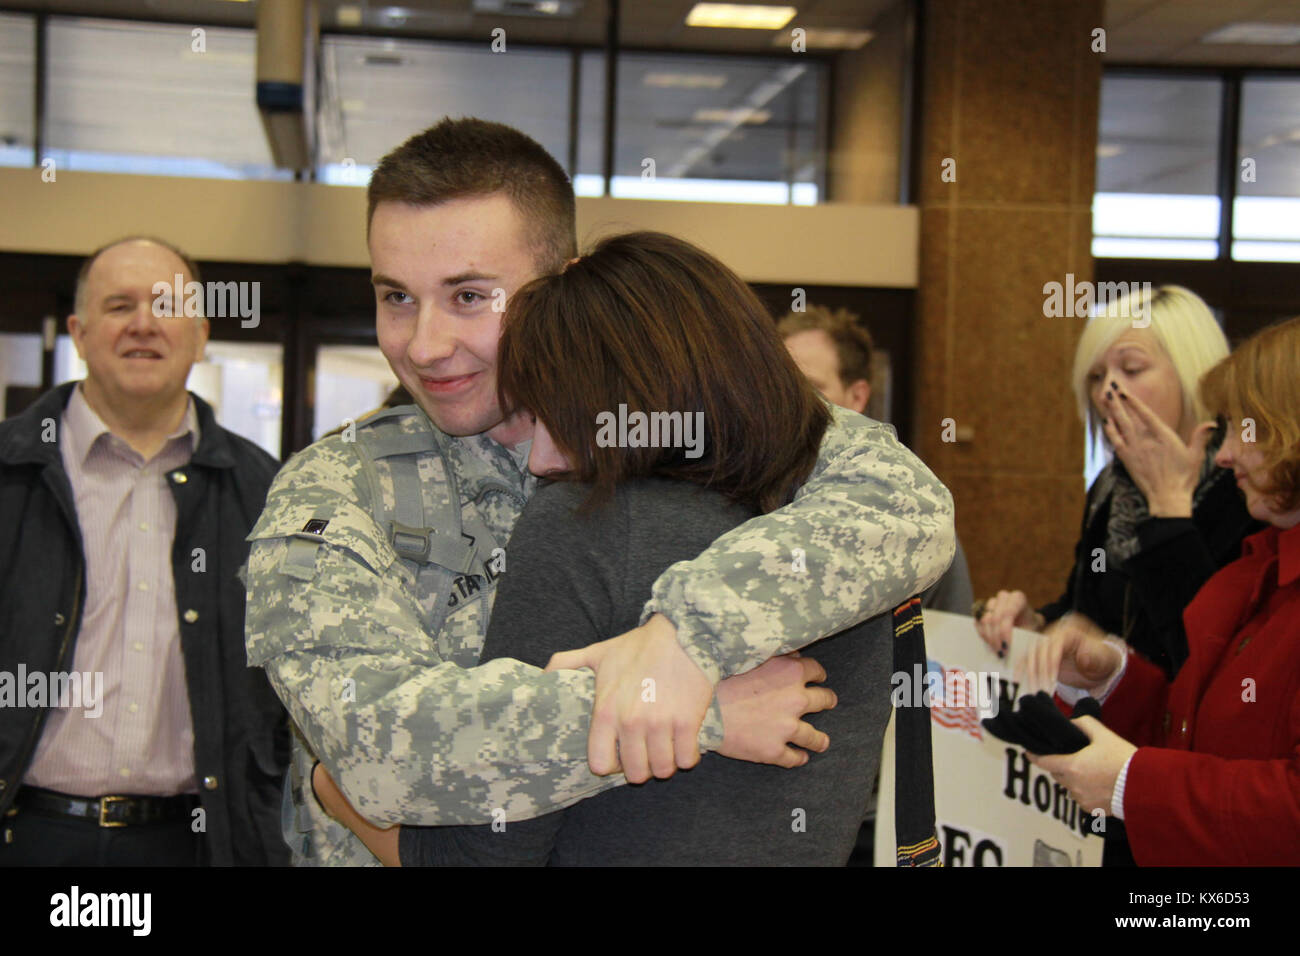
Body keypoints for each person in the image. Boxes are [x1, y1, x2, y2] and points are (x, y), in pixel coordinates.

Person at [243, 118, 956, 866]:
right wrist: (693, 707)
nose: (424, 344)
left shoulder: (729, 434)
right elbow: (374, 749)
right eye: (395, 297)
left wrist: (687, 639)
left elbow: (912, 510)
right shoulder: (336, 492)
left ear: (566, 281)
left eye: (469, 296)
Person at [320, 232, 897, 865]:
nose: (538, 461)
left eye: (549, 415)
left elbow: (479, 855)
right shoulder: (852, 551)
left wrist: (330, 785)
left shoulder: (587, 526)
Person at [0, 237, 288, 866]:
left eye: (166, 304)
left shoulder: (266, 490)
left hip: (196, 843)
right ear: (78, 332)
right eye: (118, 305)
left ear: (201, 331)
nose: (143, 324)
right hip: (26, 836)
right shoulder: (10, 472)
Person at [1024, 315, 1300, 866]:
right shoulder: (1264, 560)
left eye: (1244, 426)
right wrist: (1112, 678)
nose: (1224, 453)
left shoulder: (1245, 525)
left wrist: (1133, 782)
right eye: (1099, 375)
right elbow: (1201, 722)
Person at [974, 286, 1259, 679]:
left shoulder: (1246, 489)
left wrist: (1168, 512)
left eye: (1132, 368)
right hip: (1110, 728)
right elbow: (1092, 613)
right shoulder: (1111, 487)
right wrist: (1038, 625)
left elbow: (1208, 653)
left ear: (1192, 372)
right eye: (1096, 376)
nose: (1108, 391)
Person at [779, 305, 974, 616]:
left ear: (857, 397)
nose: (789, 403)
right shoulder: (755, 494)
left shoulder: (910, 510)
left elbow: (951, 640)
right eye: (780, 387)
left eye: (811, 388)